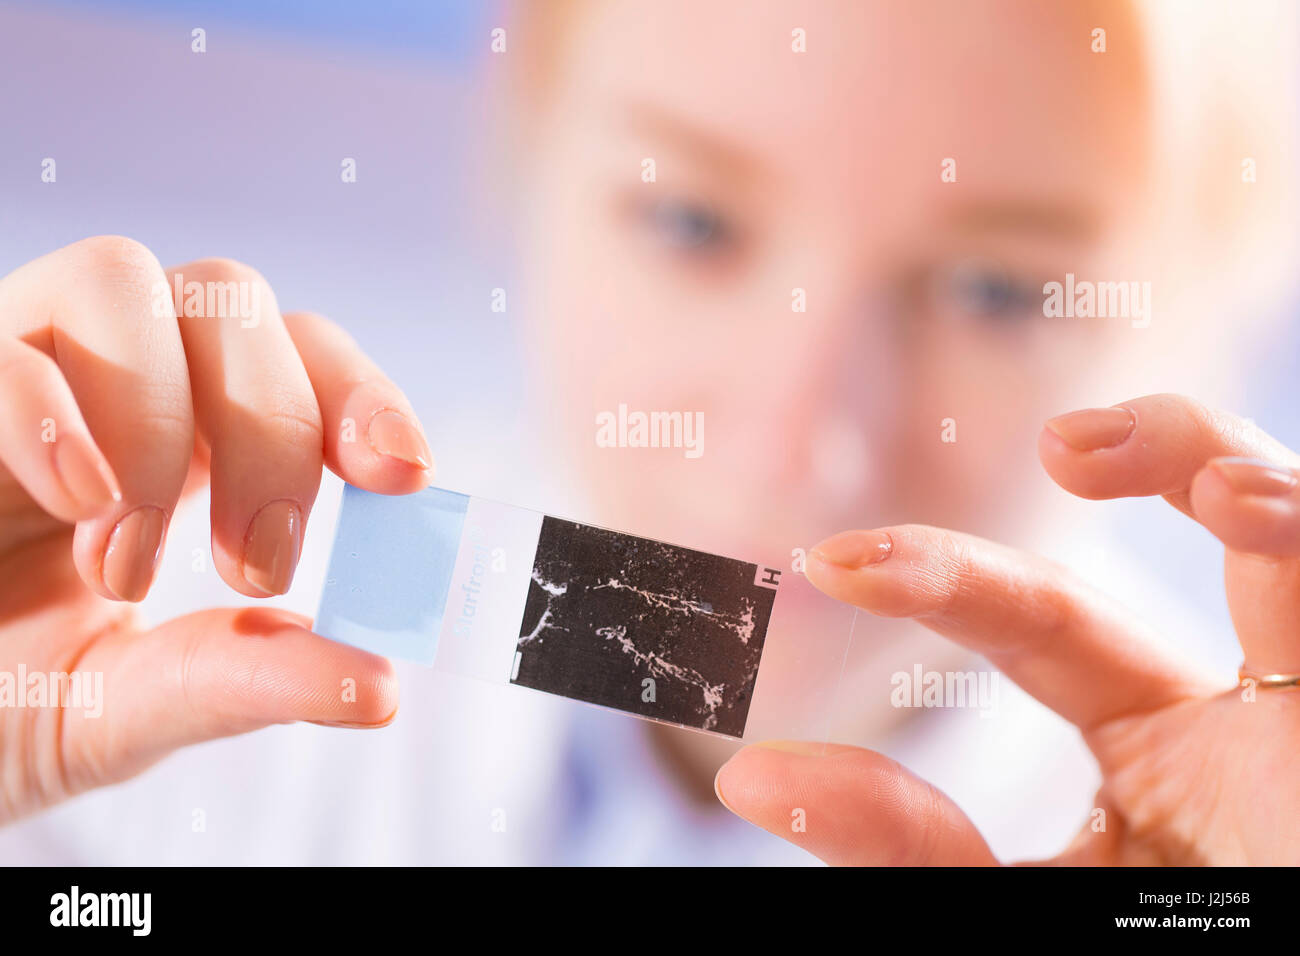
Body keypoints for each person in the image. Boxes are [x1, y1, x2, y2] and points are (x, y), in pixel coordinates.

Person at [1, 0, 1296, 864]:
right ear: (526, 165)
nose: (808, 446)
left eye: (1000, 292)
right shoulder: (171, 631)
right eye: (691, 223)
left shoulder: (1226, 839)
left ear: (1209, 319)